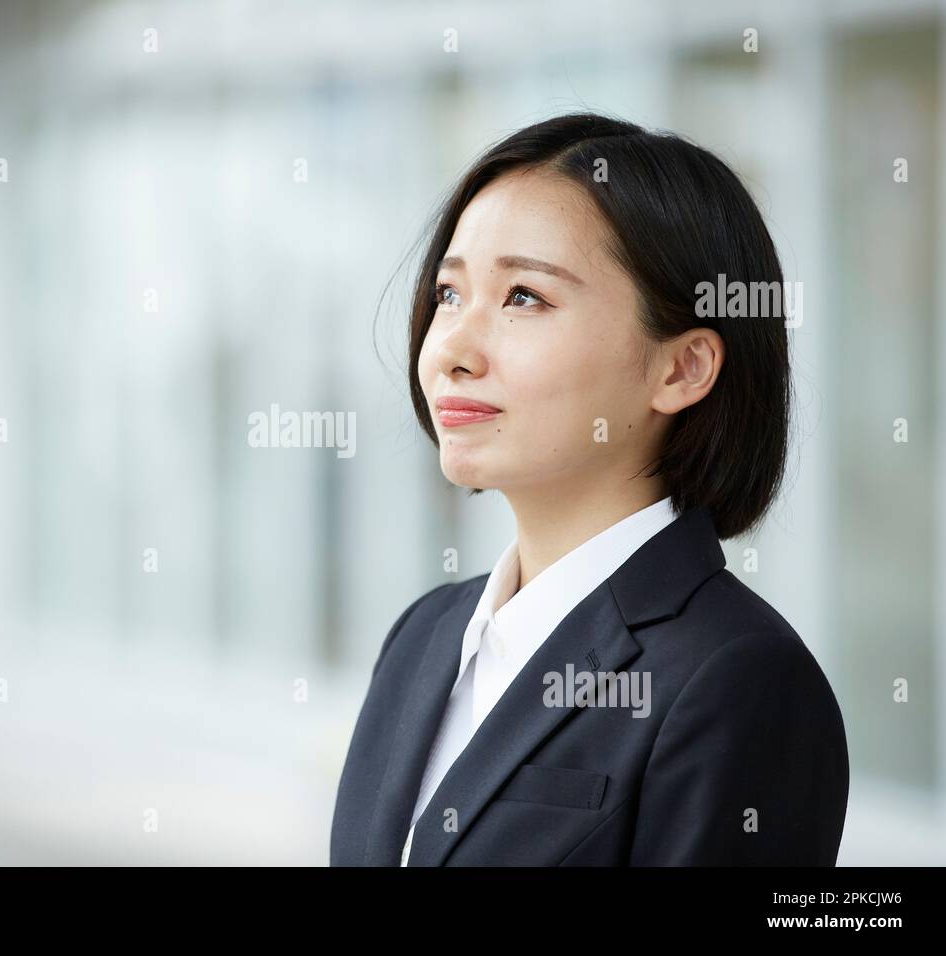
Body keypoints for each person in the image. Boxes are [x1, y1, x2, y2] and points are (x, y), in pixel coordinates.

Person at [330, 112, 848, 866]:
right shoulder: (424, 637)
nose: (452, 352)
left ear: (682, 368)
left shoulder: (739, 679)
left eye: (524, 297)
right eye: (448, 295)